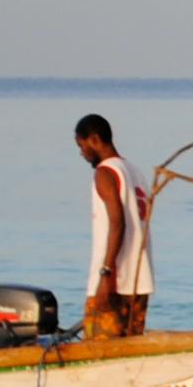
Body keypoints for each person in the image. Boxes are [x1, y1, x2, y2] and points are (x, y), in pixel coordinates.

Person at [74, 114, 154, 336]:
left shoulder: (105, 172)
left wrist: (105, 273)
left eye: (81, 145)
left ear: (94, 139)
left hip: (115, 282)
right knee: (130, 353)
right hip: (139, 280)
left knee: (98, 355)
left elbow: (118, 223)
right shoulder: (135, 172)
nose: (81, 153)